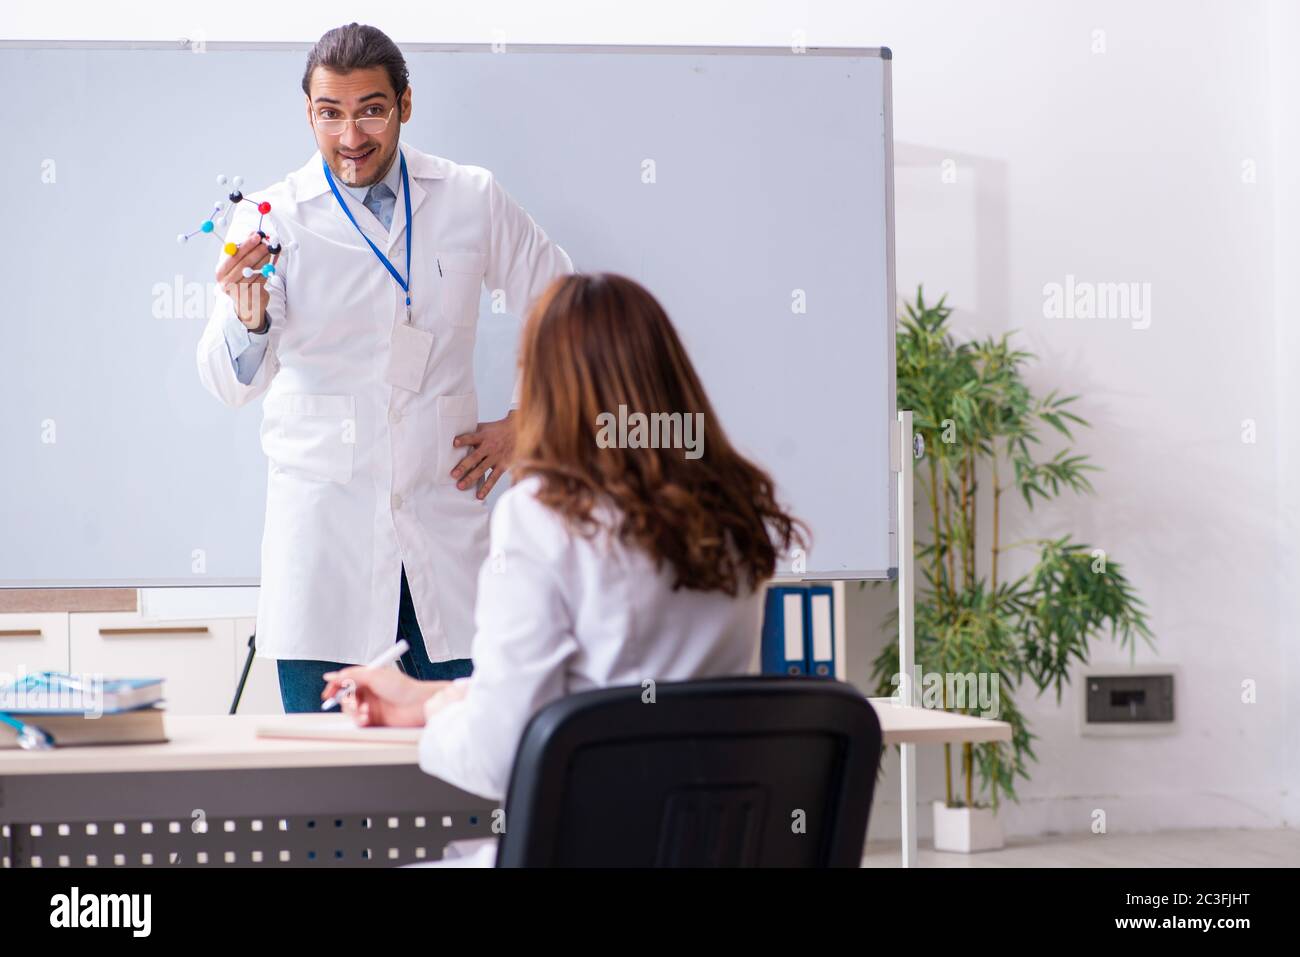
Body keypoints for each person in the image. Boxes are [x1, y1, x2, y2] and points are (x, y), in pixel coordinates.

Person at [195, 23, 574, 712]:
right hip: (325, 557)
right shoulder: (271, 218)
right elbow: (228, 384)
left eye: (370, 108)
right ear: (308, 113)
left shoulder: (470, 197)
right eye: (329, 113)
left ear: (405, 103)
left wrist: (531, 423)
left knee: (462, 776)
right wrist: (249, 320)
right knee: (326, 802)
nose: (350, 135)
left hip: (446, 539)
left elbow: (573, 308)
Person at [323, 273, 808, 801]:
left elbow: (498, 758)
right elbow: (606, 693)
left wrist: (432, 726)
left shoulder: (543, 518)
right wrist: (430, 698)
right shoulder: (729, 512)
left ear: (548, 389)